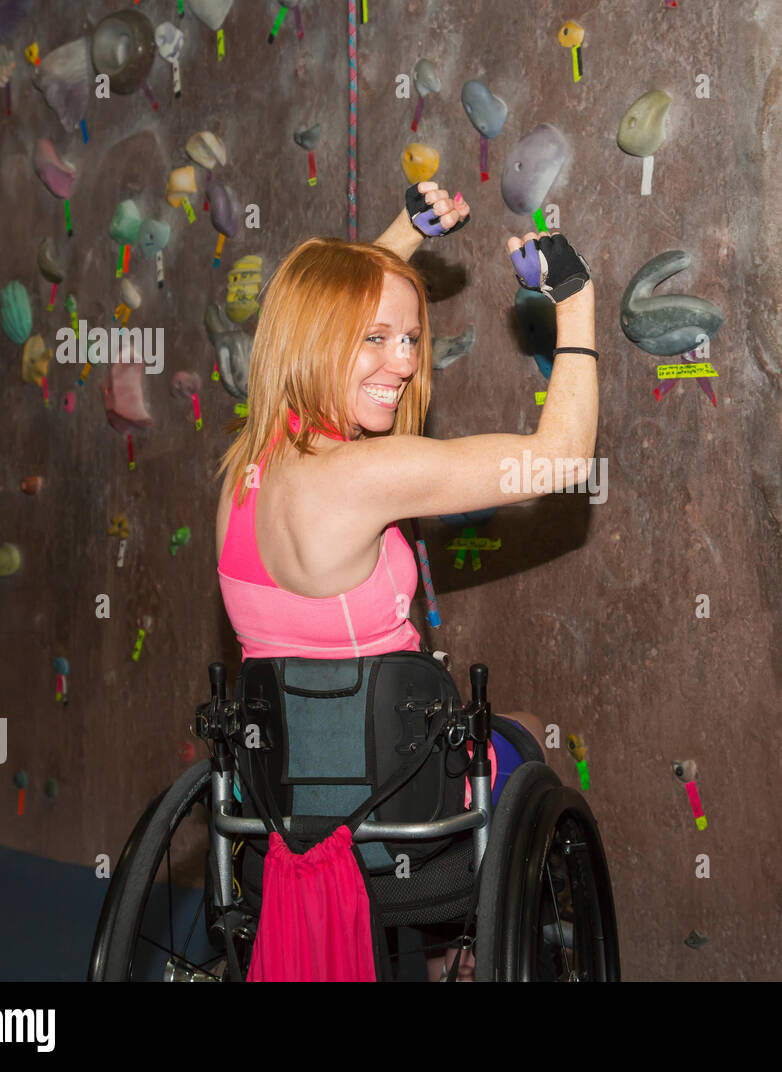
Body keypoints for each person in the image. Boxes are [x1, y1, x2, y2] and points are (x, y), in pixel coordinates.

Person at [215, 181, 598, 979]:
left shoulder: (245, 469)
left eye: (410, 339)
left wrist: (406, 235)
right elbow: (558, 457)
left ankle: (433, 952)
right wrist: (577, 299)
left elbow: (321, 314)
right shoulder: (367, 475)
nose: (404, 361)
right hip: (396, 815)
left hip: (279, 806)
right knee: (521, 728)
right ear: (319, 340)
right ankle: (462, 947)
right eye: (376, 341)